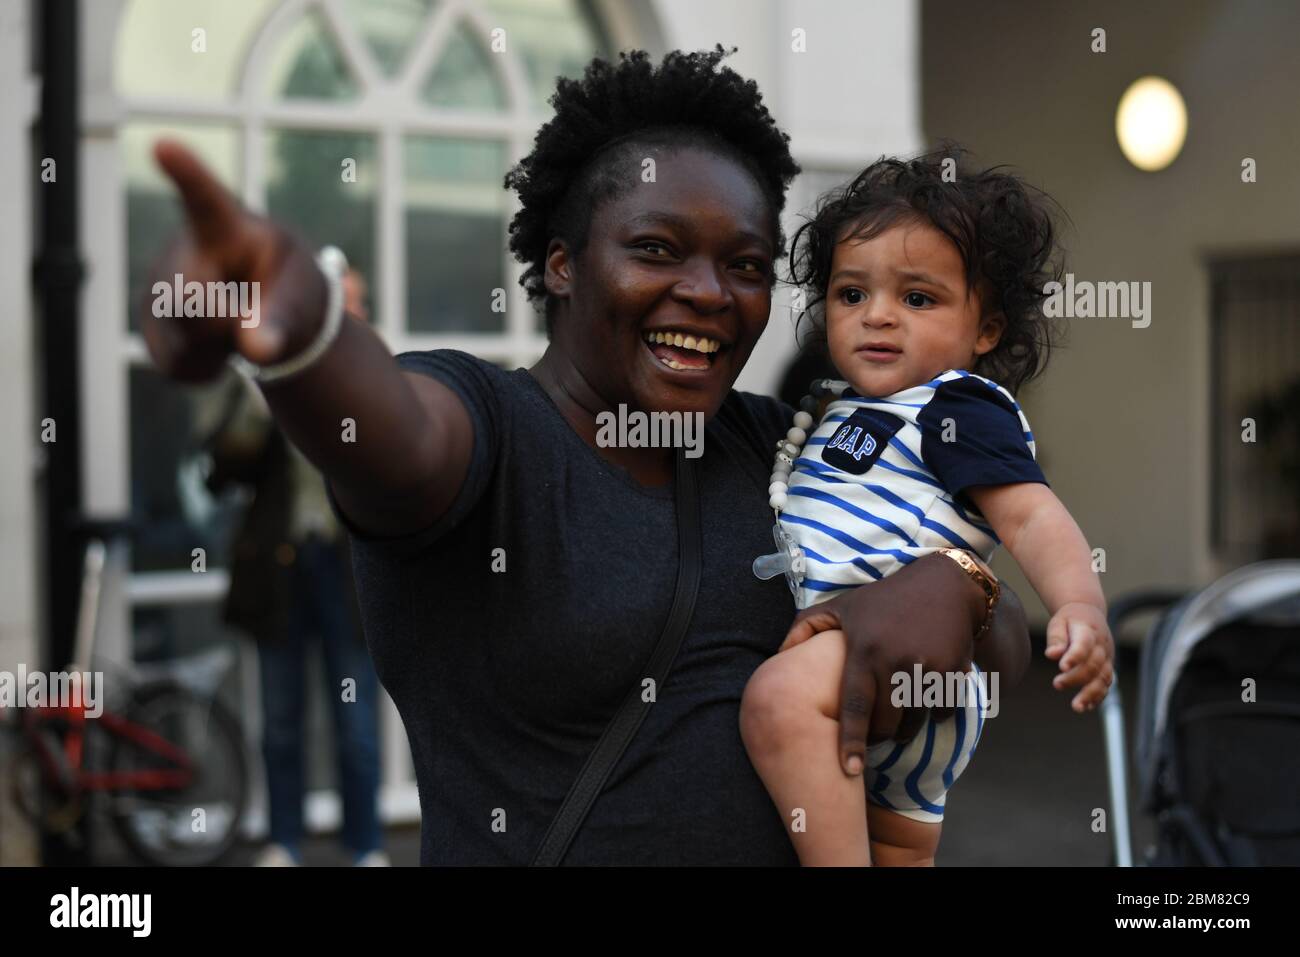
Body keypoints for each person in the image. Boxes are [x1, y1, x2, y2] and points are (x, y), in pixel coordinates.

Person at [141, 47, 1035, 866]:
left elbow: (998, 660)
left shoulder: (787, 444)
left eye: (747, 264)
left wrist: (958, 582)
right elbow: (394, 440)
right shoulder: (489, 432)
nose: (706, 292)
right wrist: (306, 341)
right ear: (562, 264)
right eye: (656, 249)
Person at [740, 152, 1115, 866]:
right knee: (900, 848)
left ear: (987, 329)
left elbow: (1032, 515)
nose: (877, 315)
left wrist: (1078, 605)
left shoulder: (954, 407)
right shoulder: (828, 407)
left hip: (891, 661)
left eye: (918, 298)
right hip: (870, 680)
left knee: (774, 702)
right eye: (851, 295)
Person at [205, 268, 388, 867]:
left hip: (349, 571)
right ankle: (284, 842)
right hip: (282, 568)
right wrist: (261, 406)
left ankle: (365, 846)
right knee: (282, 720)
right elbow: (220, 473)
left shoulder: (377, 373)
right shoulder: (271, 373)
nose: (341, 316)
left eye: (351, 305)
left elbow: (400, 463)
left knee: (355, 724)